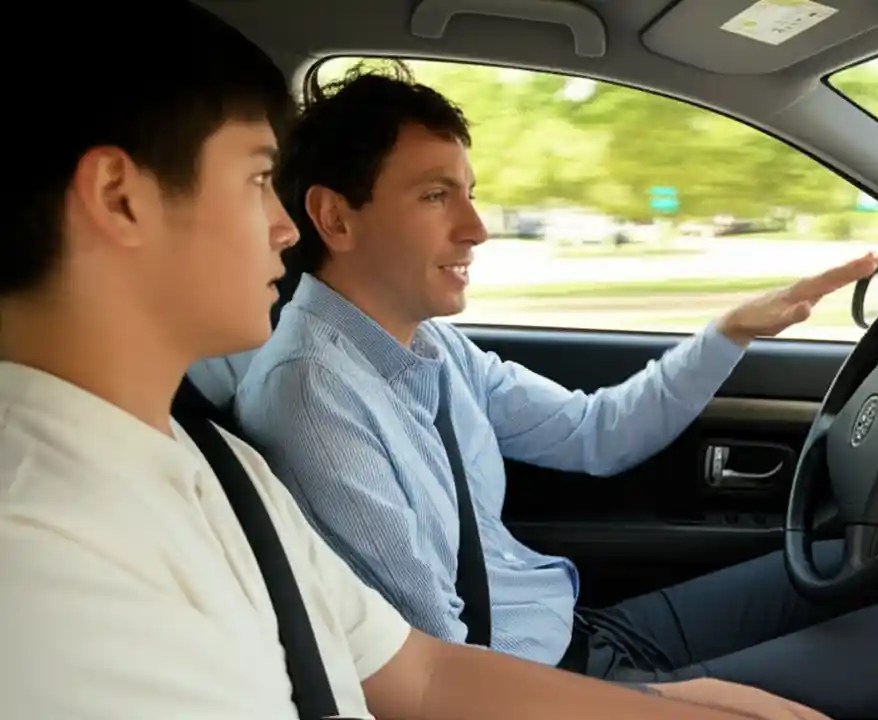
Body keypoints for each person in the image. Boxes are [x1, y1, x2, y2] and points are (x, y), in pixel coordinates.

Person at [0, 3, 831, 718]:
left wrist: (673, 710)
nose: (280, 227)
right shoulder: (42, 571)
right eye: (259, 179)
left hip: (546, 649)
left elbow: (421, 676)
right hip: (543, 666)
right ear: (119, 198)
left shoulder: (207, 462)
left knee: (850, 573)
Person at [234, 67, 878, 719]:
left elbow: (596, 435)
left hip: (576, 640)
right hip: (532, 691)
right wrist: (674, 704)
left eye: (470, 192)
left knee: (865, 567)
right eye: (436, 195)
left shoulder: (429, 346)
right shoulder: (315, 402)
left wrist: (731, 330)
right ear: (335, 219)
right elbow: (443, 679)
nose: (477, 228)